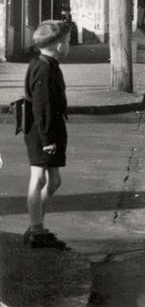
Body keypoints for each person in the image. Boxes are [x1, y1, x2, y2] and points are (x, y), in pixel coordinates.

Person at [23, 19, 72, 250]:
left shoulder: (46, 64)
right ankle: (36, 229)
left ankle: (36, 224)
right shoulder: (44, 68)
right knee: (39, 179)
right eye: (68, 41)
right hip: (42, 131)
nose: (69, 45)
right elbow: (42, 107)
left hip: (48, 129)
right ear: (60, 46)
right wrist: (47, 140)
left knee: (54, 180)